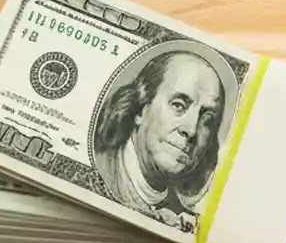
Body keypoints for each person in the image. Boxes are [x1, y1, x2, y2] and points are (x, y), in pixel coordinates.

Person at [93, 51, 226, 231]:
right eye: (178, 105)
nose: (192, 130)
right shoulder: (99, 169)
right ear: (140, 108)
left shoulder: (184, 217)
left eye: (207, 120)